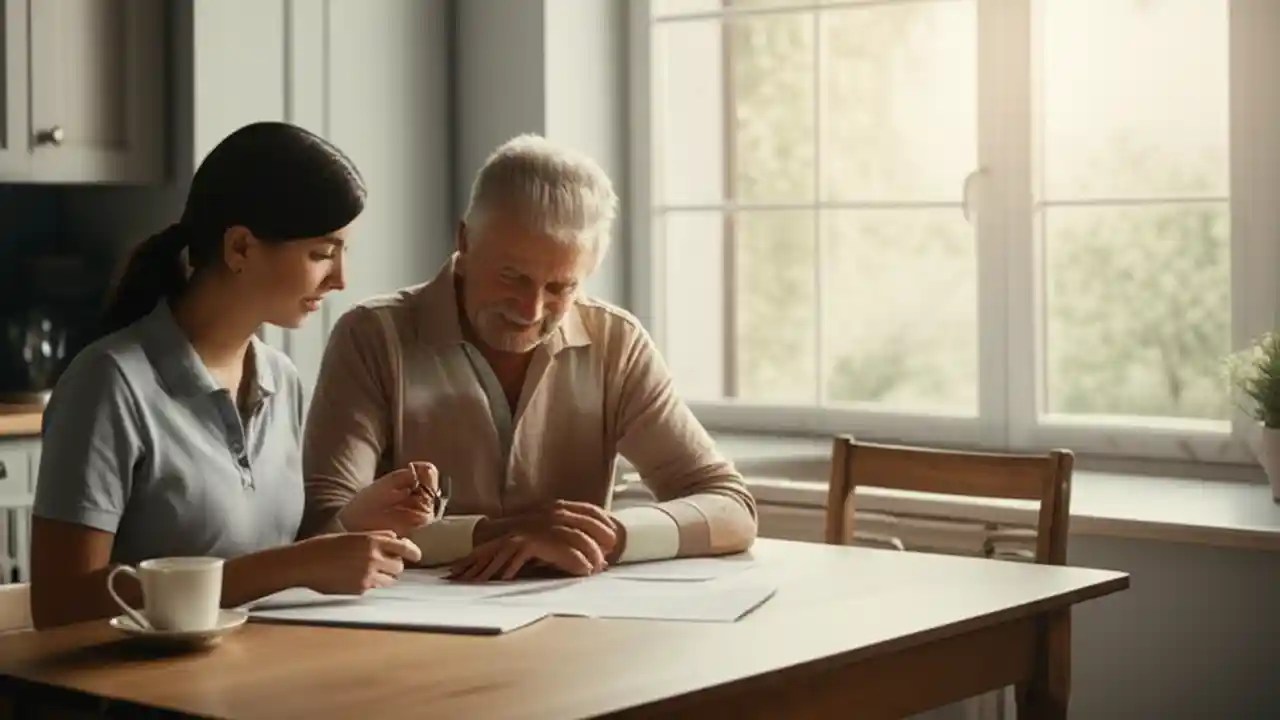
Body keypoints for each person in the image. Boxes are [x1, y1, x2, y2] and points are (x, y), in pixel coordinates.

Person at [30, 122, 432, 629]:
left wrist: (357, 520)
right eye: (321, 254)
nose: (340, 279)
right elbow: (62, 603)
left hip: (259, 680)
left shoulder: (280, 379)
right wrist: (294, 565)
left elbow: (267, 560)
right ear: (240, 247)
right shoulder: (109, 383)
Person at [302, 134, 756, 582]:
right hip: (401, 638)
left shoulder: (616, 344)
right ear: (464, 240)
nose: (530, 310)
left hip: (572, 629)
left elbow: (731, 506)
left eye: (560, 288)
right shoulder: (372, 337)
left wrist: (607, 535)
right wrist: (498, 534)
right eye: (512, 277)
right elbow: (328, 527)